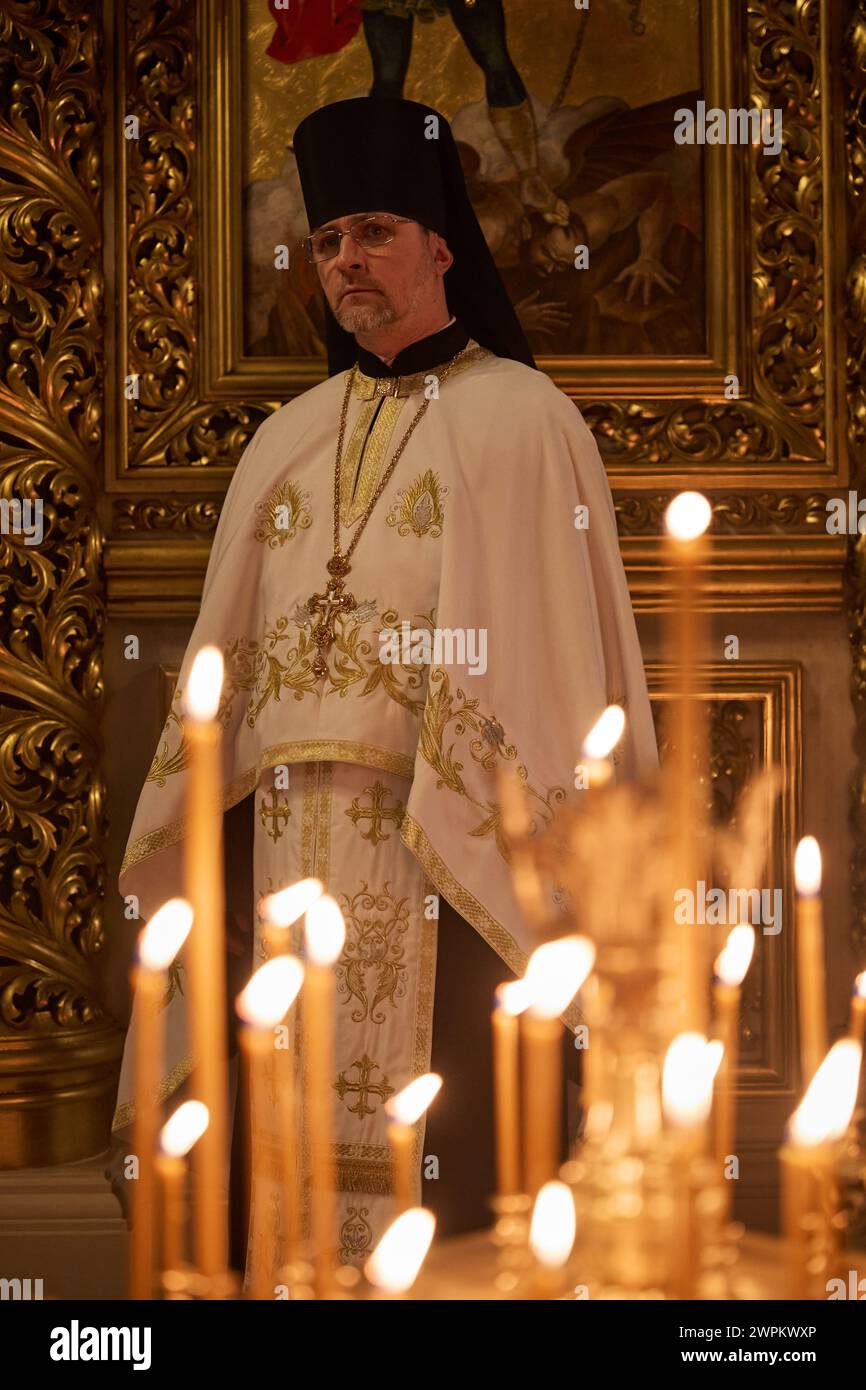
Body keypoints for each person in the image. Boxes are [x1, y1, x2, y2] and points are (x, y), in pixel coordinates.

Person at [110, 96, 657, 1289]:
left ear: (440, 246)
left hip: (450, 856)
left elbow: (560, 667)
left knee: (456, 1148)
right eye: (327, 240)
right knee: (282, 1145)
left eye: (372, 231)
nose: (346, 258)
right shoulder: (285, 439)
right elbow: (227, 674)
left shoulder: (527, 421)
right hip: (287, 852)